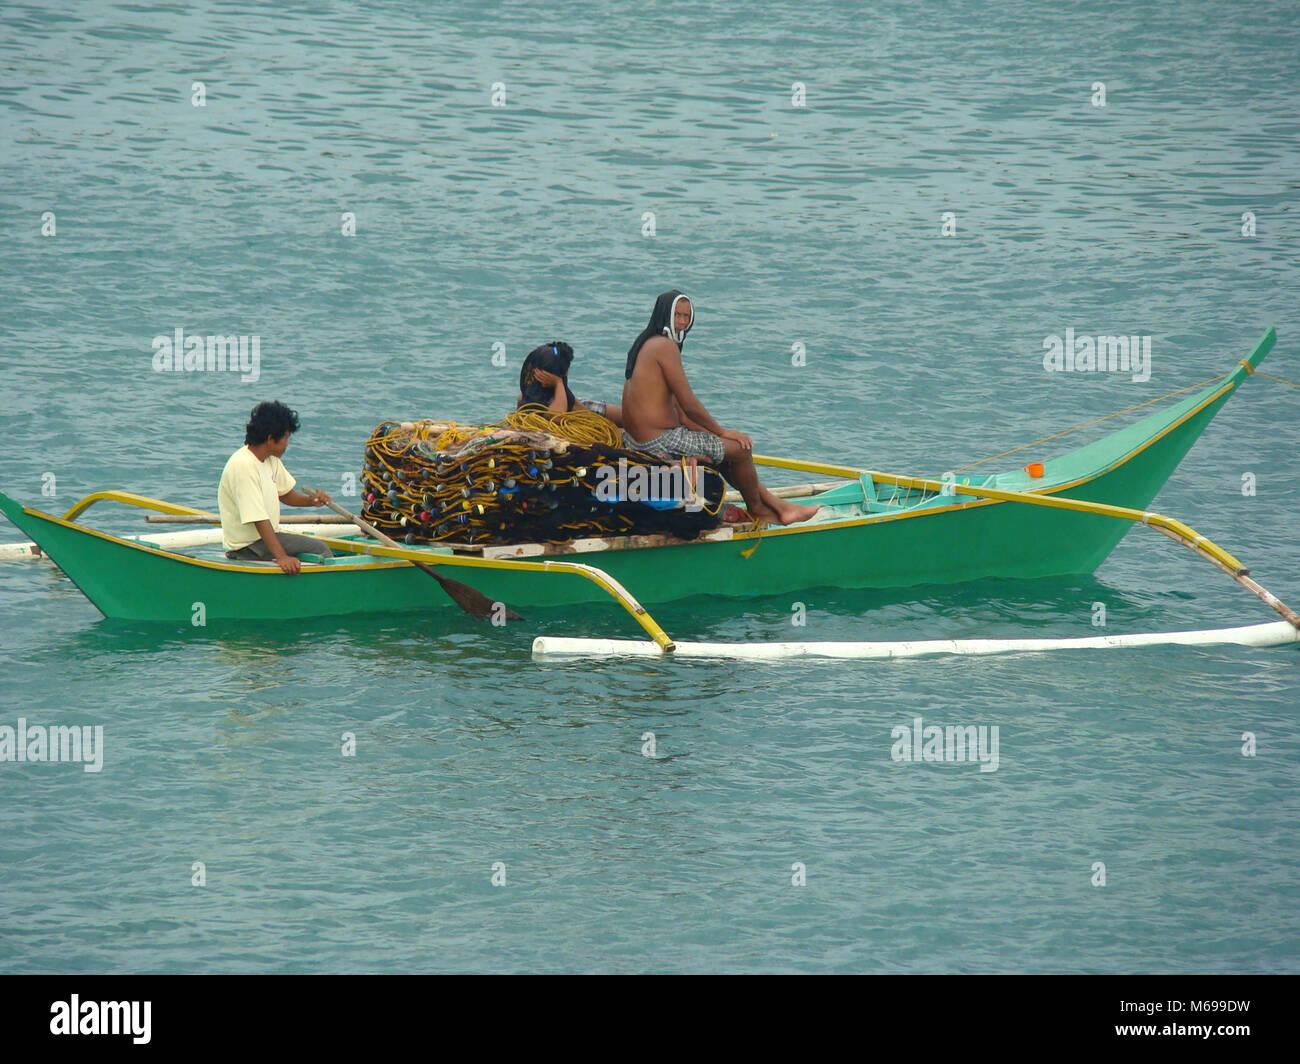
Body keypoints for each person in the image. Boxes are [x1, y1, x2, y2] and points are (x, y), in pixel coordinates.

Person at [620, 290, 819, 525]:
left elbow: (681, 413)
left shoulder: (645, 343)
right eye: (677, 315)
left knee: (726, 451)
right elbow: (689, 403)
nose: (683, 322)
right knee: (741, 449)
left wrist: (712, 434)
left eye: (687, 316)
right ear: (664, 314)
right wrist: (723, 432)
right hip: (660, 440)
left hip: (641, 438)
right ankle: (757, 508)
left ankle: (779, 506)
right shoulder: (665, 346)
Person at [219, 400, 333, 574]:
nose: (287, 444)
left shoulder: (270, 460)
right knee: (320, 549)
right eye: (286, 438)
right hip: (248, 546)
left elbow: (285, 494)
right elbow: (258, 518)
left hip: (263, 539)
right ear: (271, 439)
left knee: (314, 548)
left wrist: (312, 501)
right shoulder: (243, 465)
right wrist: (281, 557)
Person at [516, 341, 623, 426]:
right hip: (570, 415)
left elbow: (581, 410)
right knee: (623, 433)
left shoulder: (564, 393)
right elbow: (556, 418)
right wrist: (558, 383)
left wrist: (559, 383)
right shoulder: (530, 400)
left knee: (629, 418)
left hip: (580, 408)